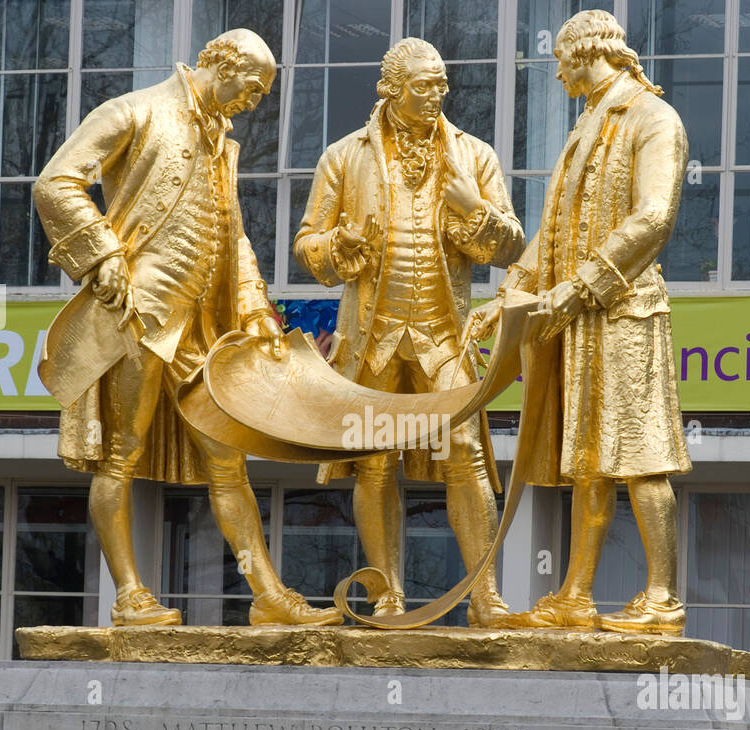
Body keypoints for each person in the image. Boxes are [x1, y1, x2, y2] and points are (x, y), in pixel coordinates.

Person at [34, 28, 339, 627]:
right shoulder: (135, 110)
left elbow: (234, 235)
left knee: (230, 466)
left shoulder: (223, 142)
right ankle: (129, 596)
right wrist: (102, 256)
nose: (254, 101)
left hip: (201, 332)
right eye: (252, 86)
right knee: (118, 458)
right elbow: (55, 182)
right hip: (136, 319)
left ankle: (268, 594)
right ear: (221, 64)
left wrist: (254, 306)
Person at [468, 9, 692, 633]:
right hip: (577, 314)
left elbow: (653, 219)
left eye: (559, 60)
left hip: (623, 310)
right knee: (590, 457)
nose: (557, 71)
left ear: (585, 51)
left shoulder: (652, 117)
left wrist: (581, 286)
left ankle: (662, 597)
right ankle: (575, 594)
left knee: (642, 455)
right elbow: (553, 232)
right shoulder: (588, 122)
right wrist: (509, 295)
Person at [293, 37, 525, 626]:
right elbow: (308, 246)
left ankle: (485, 596)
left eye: (442, 84)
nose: (437, 94)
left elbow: (511, 247)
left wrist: (474, 209)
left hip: (443, 335)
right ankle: (388, 596)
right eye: (424, 85)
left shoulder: (474, 156)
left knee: (467, 454)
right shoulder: (345, 157)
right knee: (374, 461)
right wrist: (337, 246)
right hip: (373, 336)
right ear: (391, 89)